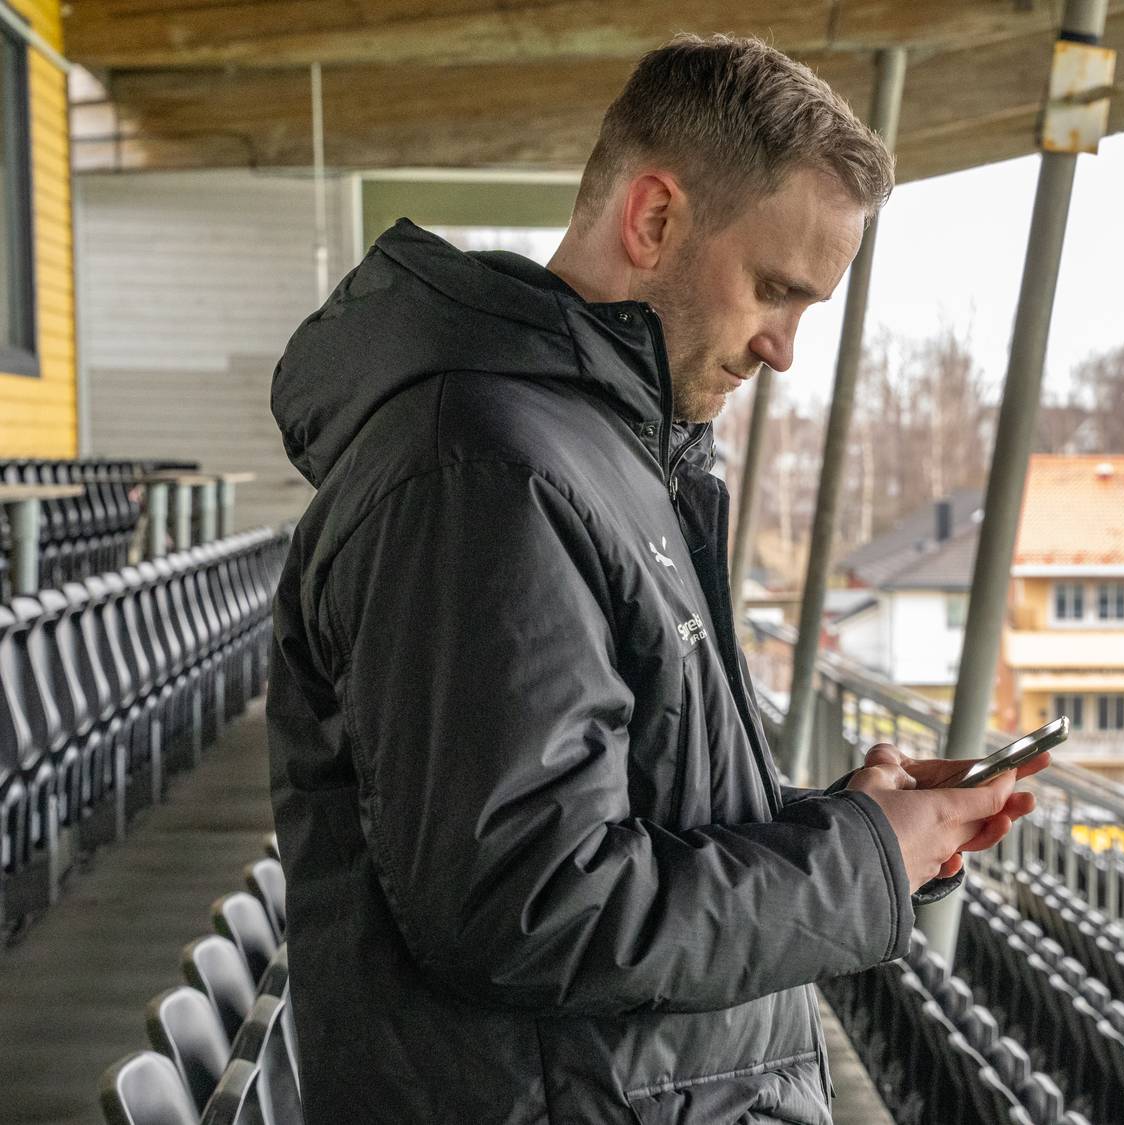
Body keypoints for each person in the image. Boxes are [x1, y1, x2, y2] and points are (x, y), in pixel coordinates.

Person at [265, 34, 1043, 1124]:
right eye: (775, 289)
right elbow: (534, 906)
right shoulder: (484, 475)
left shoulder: (602, 457)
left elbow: (633, 810)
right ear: (654, 220)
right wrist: (856, 864)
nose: (782, 350)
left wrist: (858, 829)